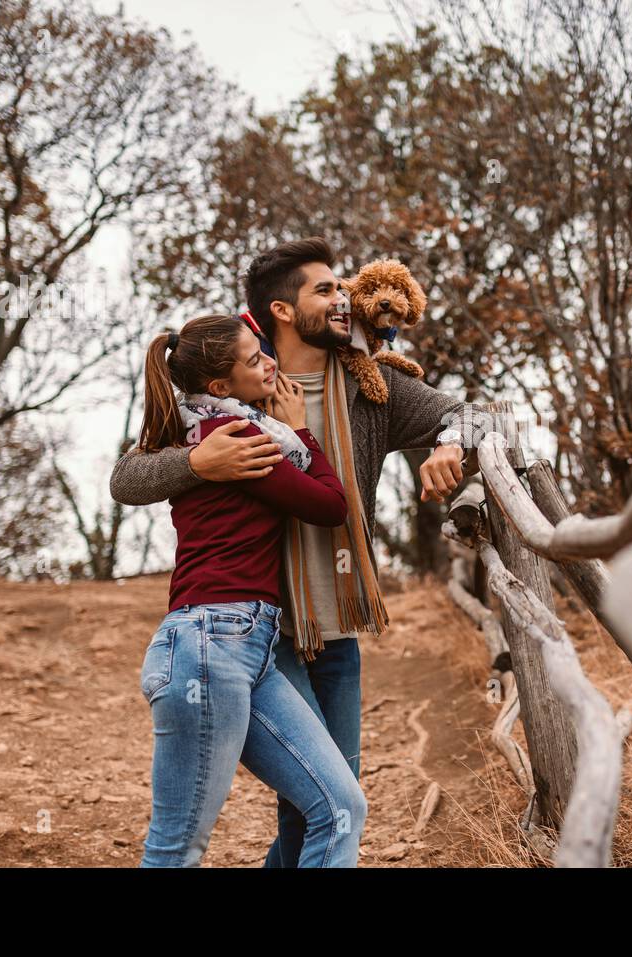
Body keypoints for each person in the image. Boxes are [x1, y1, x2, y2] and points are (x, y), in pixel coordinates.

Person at [110, 237, 479, 868]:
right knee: (309, 809)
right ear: (283, 311)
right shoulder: (231, 386)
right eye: (327, 289)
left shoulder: (374, 387)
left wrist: (450, 443)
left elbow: (471, 412)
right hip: (257, 629)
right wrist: (197, 462)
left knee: (330, 807)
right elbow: (127, 478)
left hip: (336, 630)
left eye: (343, 289)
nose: (346, 300)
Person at [133, 312, 367, 867]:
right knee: (177, 846)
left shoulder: (203, 428)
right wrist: (301, 428)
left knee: (340, 807)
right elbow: (329, 506)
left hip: (246, 646)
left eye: (264, 349)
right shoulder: (240, 439)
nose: (269, 362)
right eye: (253, 359)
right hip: (212, 642)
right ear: (219, 387)